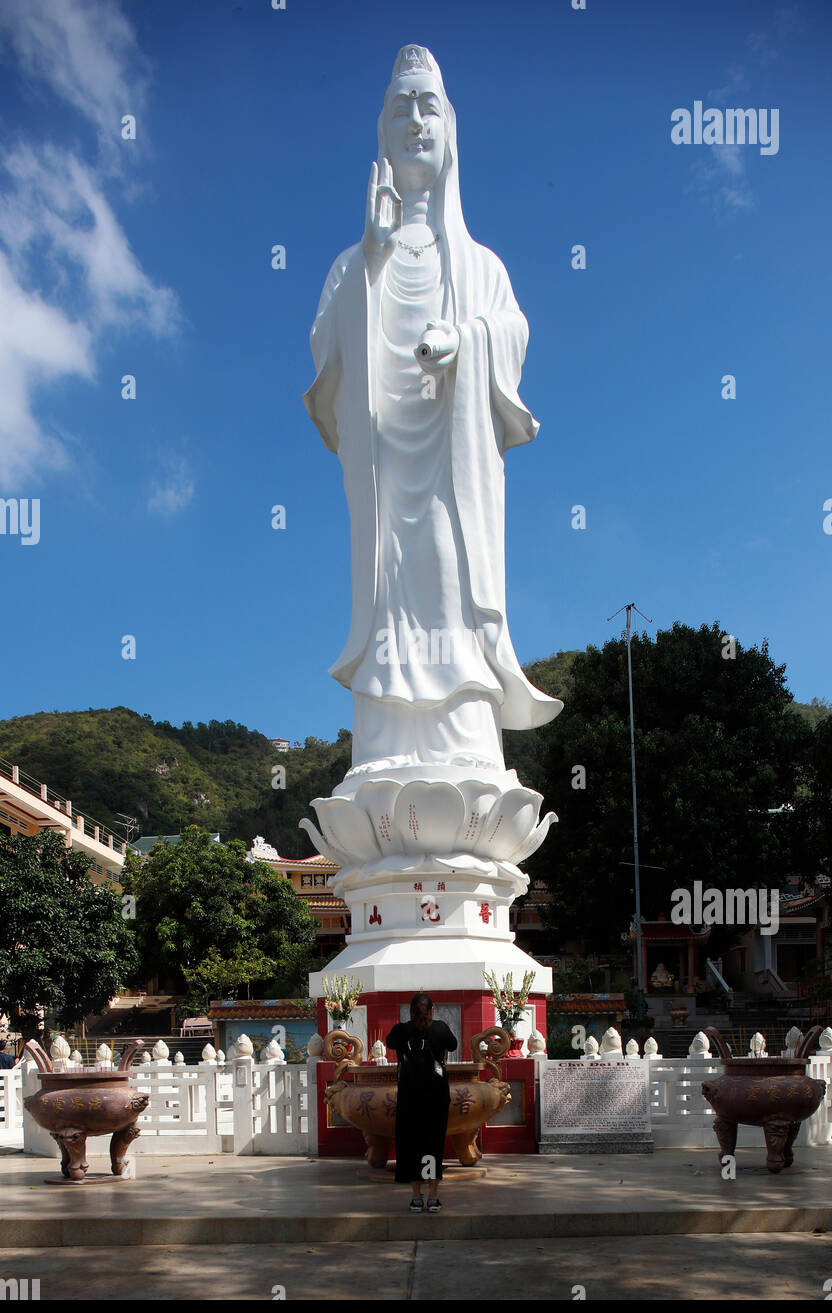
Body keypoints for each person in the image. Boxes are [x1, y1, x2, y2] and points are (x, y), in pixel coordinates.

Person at [303, 44, 562, 775]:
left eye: (428, 108)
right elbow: (327, 362)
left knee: (451, 574)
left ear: (449, 129)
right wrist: (373, 260)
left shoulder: (480, 265)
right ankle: (386, 740)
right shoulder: (351, 265)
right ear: (382, 132)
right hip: (384, 471)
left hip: (453, 465)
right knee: (390, 589)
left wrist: (467, 341)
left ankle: (462, 737)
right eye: (400, 108)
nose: (415, 121)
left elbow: (511, 332)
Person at [386, 993, 457, 1212]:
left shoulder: (400, 1030)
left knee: (410, 1146)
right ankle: (433, 1197)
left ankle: (416, 1197)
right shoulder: (440, 1028)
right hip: (436, 1097)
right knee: (432, 1145)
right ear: (432, 1011)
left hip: (409, 1097)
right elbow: (453, 1045)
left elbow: (389, 1043)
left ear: (410, 1012)